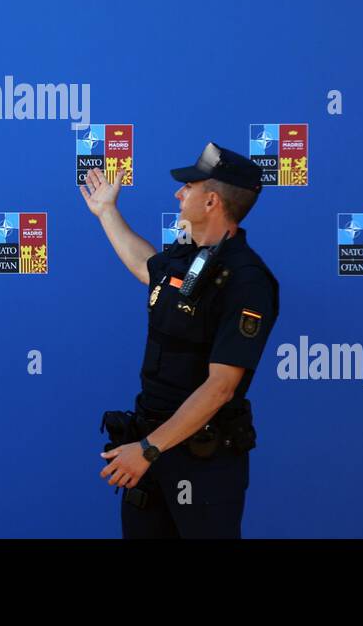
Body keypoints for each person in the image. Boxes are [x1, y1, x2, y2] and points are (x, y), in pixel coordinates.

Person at [80, 141, 279, 539]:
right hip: (148, 454)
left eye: (188, 186)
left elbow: (221, 387)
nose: (178, 192)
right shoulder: (188, 255)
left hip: (199, 462)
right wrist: (107, 213)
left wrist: (149, 449)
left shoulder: (248, 281)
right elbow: (145, 267)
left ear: (211, 202)